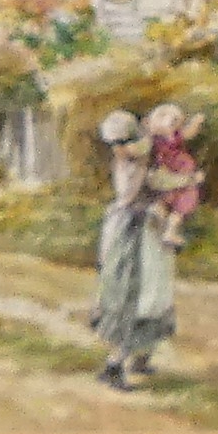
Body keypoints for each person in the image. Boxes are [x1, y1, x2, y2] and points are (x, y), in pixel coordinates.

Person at [88, 109, 176, 390]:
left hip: (147, 232)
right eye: (118, 145)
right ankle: (115, 366)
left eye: (127, 142)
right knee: (133, 297)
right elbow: (133, 194)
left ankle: (141, 357)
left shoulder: (143, 157)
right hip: (132, 233)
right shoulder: (132, 165)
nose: (122, 149)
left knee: (155, 294)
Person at [143, 102, 206, 249]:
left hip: (182, 172)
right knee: (175, 197)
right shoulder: (156, 139)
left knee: (179, 200)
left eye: (175, 121)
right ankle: (164, 221)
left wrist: (196, 122)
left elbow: (189, 132)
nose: (173, 124)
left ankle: (168, 228)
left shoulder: (175, 136)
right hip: (172, 172)